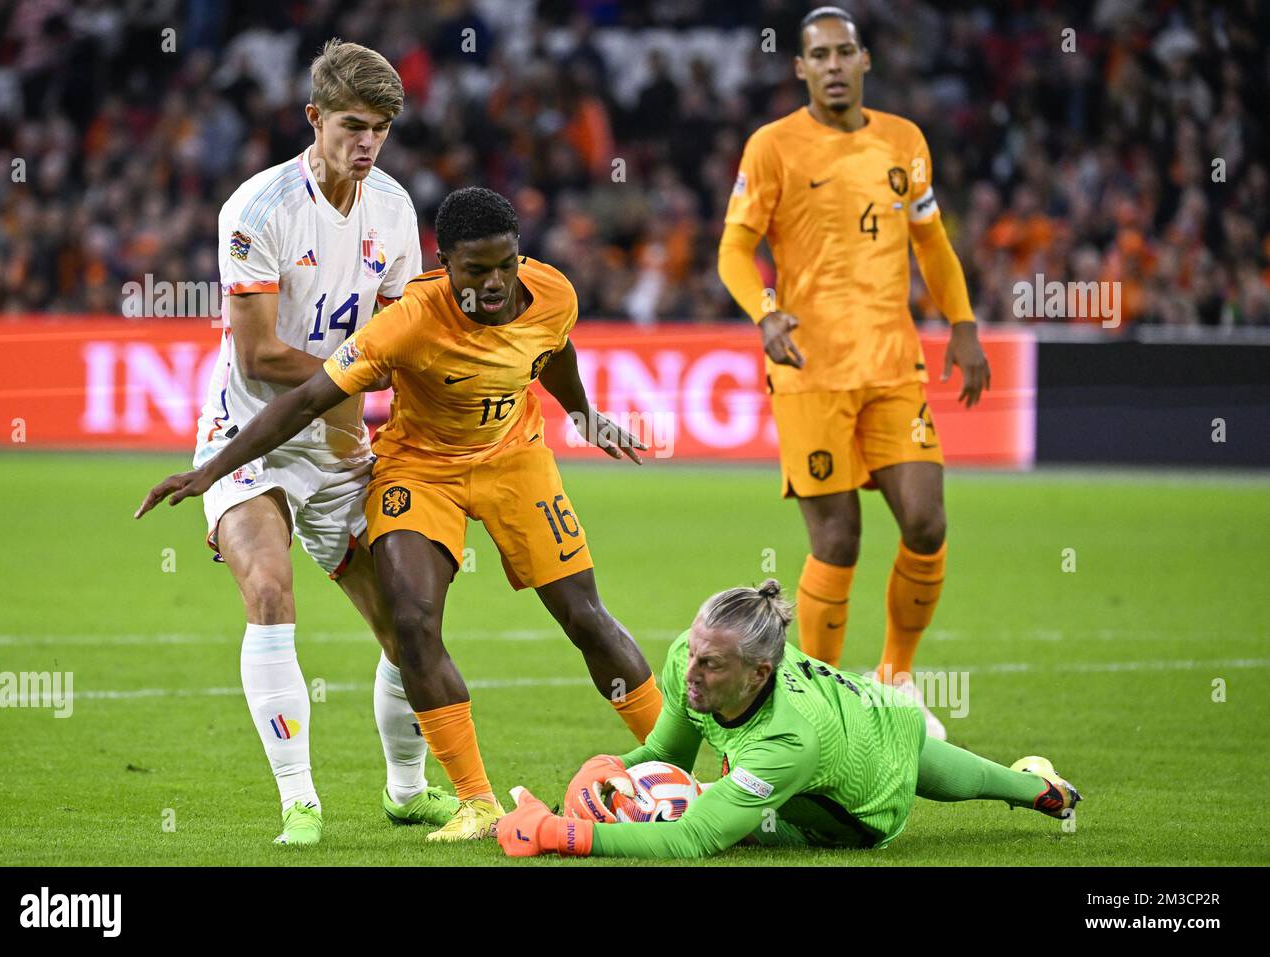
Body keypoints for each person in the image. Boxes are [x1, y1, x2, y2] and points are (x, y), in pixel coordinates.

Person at [136, 187, 665, 842]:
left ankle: (677, 765)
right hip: (421, 470)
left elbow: (554, 350)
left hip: (516, 461)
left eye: (506, 264)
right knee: (411, 618)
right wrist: (211, 468)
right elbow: (305, 400)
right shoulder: (409, 319)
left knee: (585, 614)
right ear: (444, 263)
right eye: (475, 271)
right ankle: (477, 802)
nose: (494, 284)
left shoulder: (552, 291)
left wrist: (583, 413)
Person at [134, 39, 457, 846]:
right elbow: (259, 355)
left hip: (338, 444)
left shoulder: (395, 210)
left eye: (382, 127)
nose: (368, 143)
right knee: (270, 592)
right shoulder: (257, 208)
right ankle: (299, 801)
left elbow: (401, 335)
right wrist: (361, 378)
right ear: (313, 118)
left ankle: (408, 791)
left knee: (409, 623)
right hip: (249, 433)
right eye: (353, 124)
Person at [716, 6, 992, 738]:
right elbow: (734, 251)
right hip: (810, 370)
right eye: (819, 55)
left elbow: (931, 245)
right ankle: (824, 698)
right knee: (837, 538)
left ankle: (896, 679)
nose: (833, 65)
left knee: (927, 522)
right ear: (799, 68)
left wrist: (962, 326)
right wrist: (765, 311)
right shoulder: (773, 147)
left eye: (845, 52)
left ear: (866, 60)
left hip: (895, 364)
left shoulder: (905, 141)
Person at [496, 581, 1081, 859]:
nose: (691, 671)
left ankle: (1037, 789)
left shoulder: (785, 741)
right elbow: (666, 755)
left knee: (726, 814)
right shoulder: (688, 657)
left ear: (758, 672)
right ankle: (1042, 790)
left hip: (865, 811)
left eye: (712, 664)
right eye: (694, 652)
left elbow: (696, 839)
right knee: (922, 747)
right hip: (876, 714)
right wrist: (602, 771)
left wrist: (561, 834)